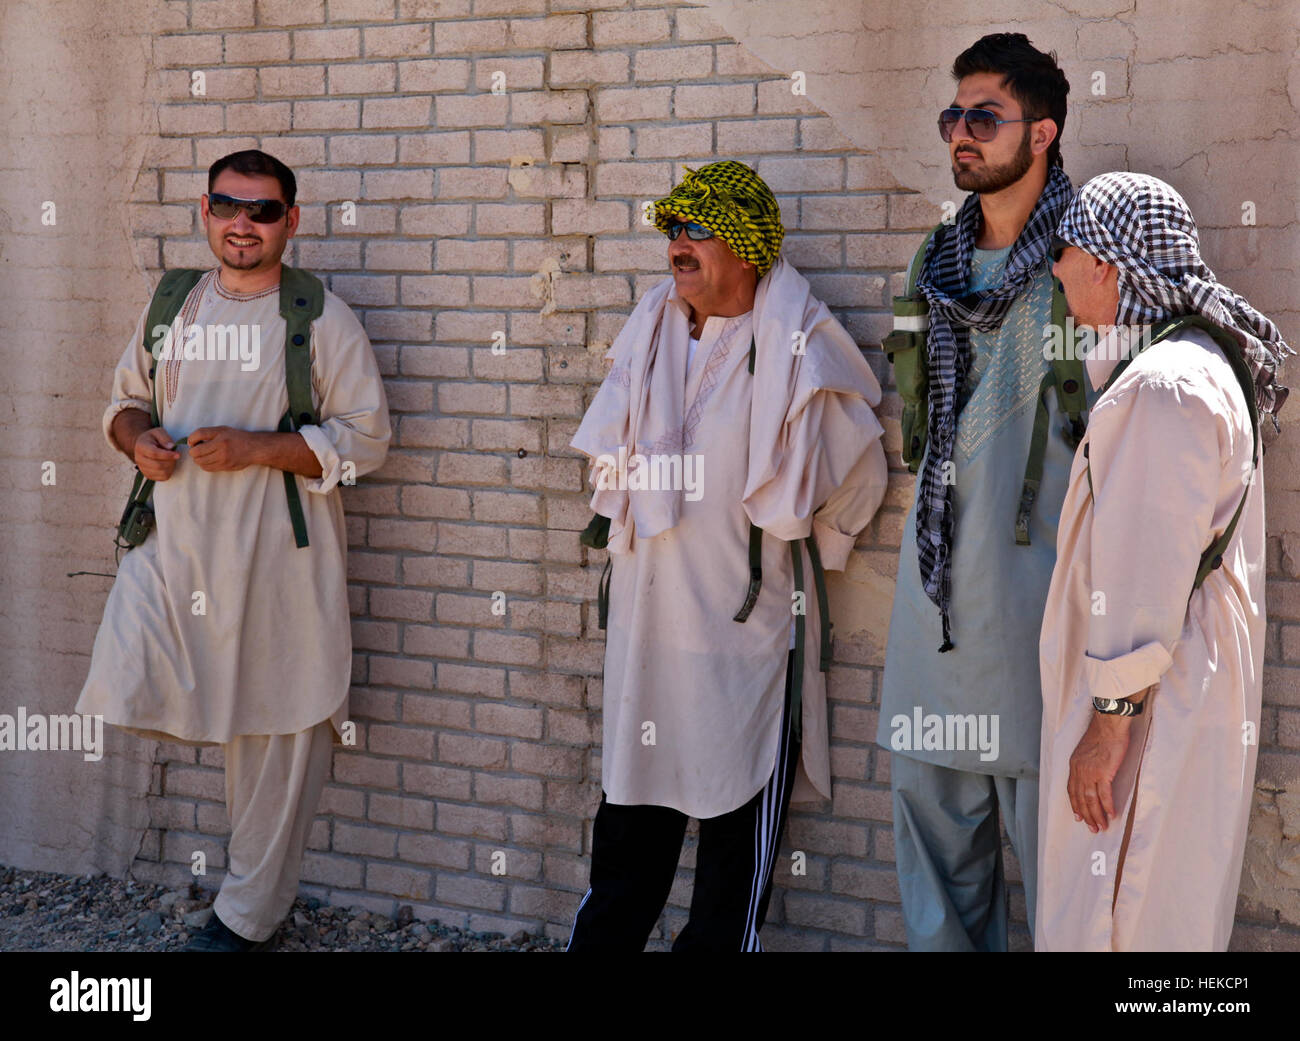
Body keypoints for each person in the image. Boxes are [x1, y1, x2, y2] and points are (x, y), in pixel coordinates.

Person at [566, 161, 889, 951]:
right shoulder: (652, 326)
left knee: (730, 860)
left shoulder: (799, 341)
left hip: (743, 639)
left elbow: (859, 473)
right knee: (629, 836)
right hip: (649, 632)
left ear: (746, 246)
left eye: (696, 230)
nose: (678, 244)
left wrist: (818, 546)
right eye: (672, 230)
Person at [78, 149, 391, 951]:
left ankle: (248, 915)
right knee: (140, 665)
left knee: (280, 723)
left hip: (279, 557)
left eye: (261, 210)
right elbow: (124, 401)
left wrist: (259, 447)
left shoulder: (318, 316)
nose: (242, 224)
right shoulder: (173, 299)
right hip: (174, 547)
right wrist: (135, 440)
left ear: (292, 219)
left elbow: (370, 441)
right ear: (206, 210)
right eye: (227, 205)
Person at [1037, 172, 1290, 951]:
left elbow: (1144, 578)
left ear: (1111, 267)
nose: (1055, 270)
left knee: (1119, 915)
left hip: (1151, 705)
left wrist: (1108, 727)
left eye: (1068, 251)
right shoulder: (1180, 370)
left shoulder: (1165, 387)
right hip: (1173, 689)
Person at [876, 33, 1075, 950]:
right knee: (940, 893)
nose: (962, 132)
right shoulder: (935, 266)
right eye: (954, 115)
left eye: (984, 116)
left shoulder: (1091, 270)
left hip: (1043, 627)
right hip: (933, 623)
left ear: (1042, 134)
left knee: (1070, 884)